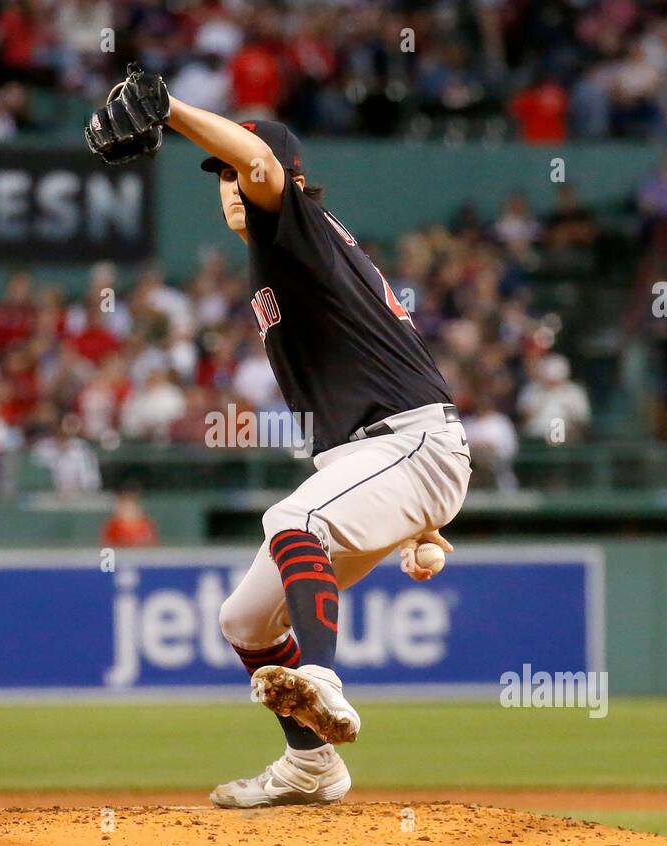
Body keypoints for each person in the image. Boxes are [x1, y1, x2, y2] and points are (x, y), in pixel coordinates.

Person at [86, 66, 473, 808]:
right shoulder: (294, 253)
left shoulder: (290, 218)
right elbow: (385, 371)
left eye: (236, 169)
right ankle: (311, 764)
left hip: (406, 445)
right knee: (244, 618)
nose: (230, 182)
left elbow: (262, 164)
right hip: (384, 453)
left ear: (283, 177)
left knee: (292, 519)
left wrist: (168, 110)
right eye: (219, 175)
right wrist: (414, 524)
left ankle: (322, 677)